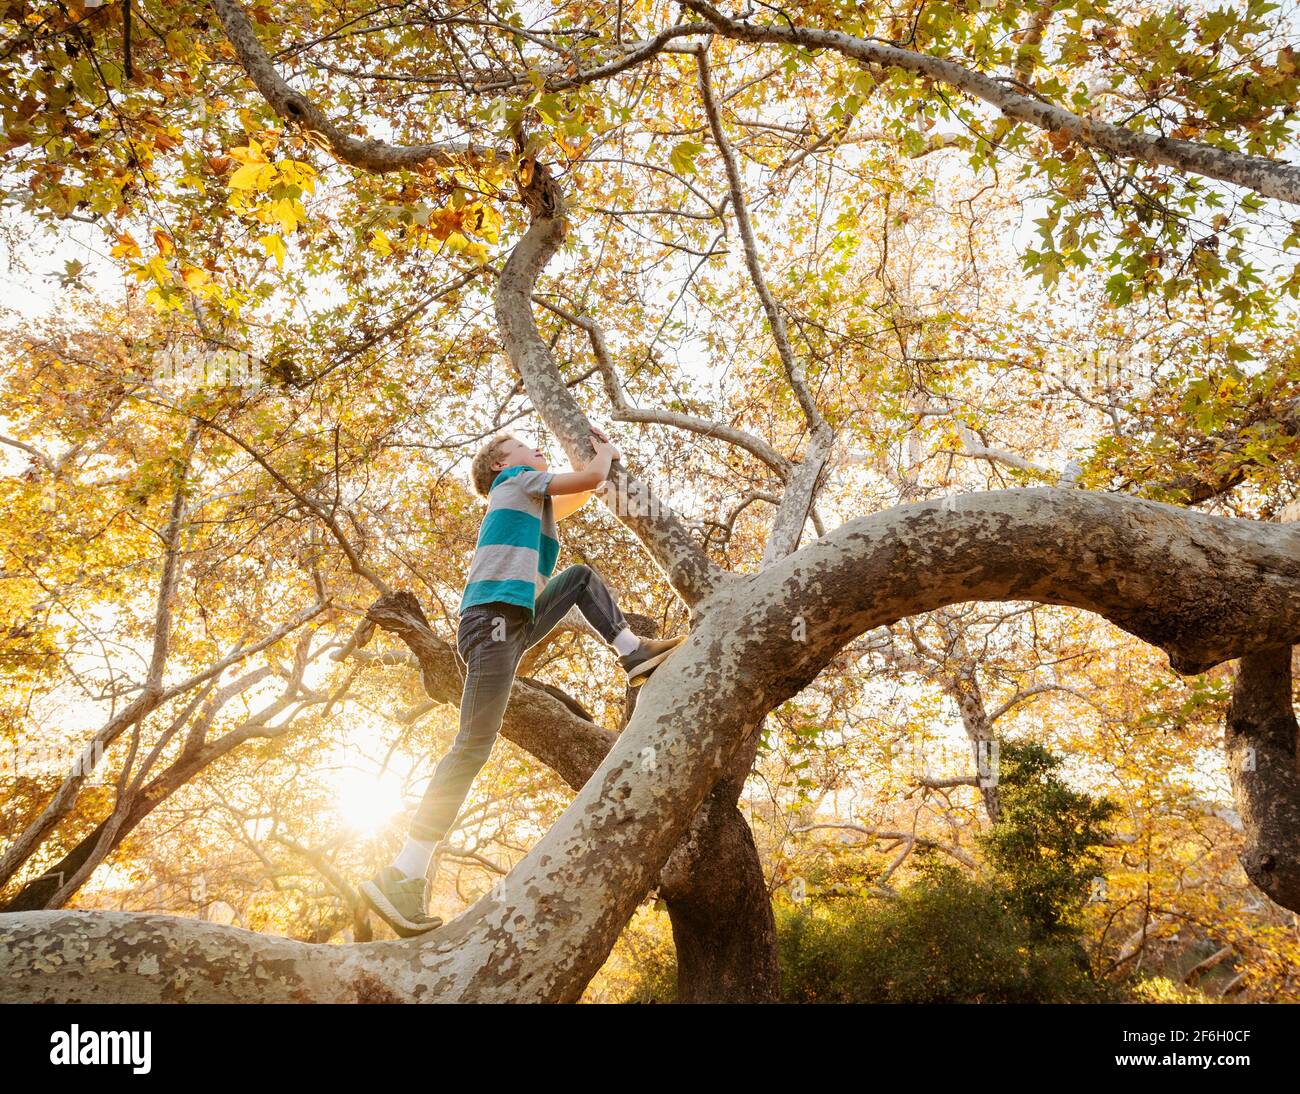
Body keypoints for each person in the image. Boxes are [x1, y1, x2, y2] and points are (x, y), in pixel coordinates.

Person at [360, 427, 686, 937]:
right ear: (499, 465)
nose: (536, 450)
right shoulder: (514, 481)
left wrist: (598, 468)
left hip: (513, 619)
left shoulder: (530, 498)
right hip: (492, 620)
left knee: (579, 578)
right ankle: (402, 871)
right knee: (471, 747)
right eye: (523, 446)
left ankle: (632, 654)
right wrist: (604, 454)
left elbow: (582, 490)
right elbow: (593, 476)